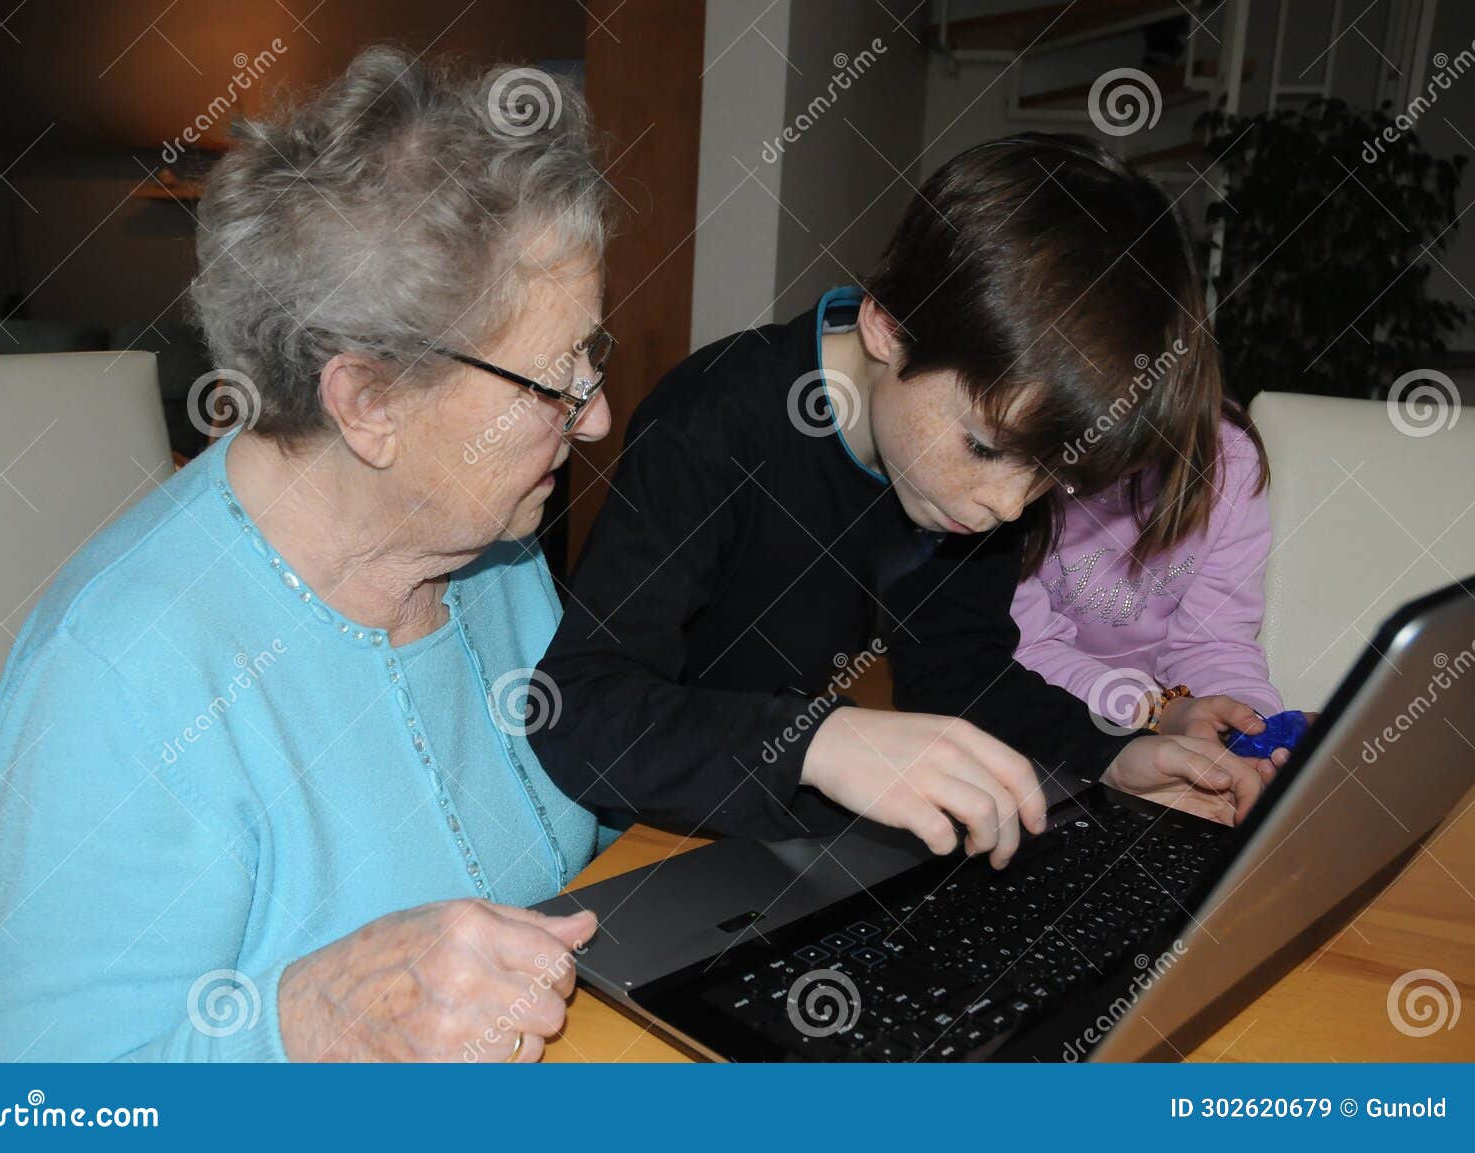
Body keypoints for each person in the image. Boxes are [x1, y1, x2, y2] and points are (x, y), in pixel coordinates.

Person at [0, 47, 612, 1063]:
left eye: (593, 355)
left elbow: (586, 834)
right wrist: (304, 1022)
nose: (595, 416)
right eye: (552, 381)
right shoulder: (123, 675)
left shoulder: (487, 546)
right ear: (368, 402)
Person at [532, 134, 1284, 866]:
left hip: (811, 841)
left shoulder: (956, 480)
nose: (1008, 506)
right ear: (888, 325)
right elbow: (582, 708)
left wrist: (1117, 754)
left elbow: (959, 669)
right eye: (986, 448)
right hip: (659, 846)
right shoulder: (713, 422)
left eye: (1051, 473)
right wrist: (821, 741)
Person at [1010, 409, 1285, 741]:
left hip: (1160, 723)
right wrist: (1156, 711)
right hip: (1030, 716)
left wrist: (1246, 725)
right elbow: (1020, 646)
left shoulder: (1228, 458)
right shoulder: (1013, 446)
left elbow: (1215, 642)